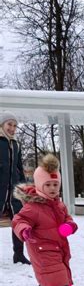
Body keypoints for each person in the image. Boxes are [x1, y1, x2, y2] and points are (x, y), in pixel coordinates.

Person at [12, 154, 77, 286]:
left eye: (55, 184)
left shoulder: (59, 205)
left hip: (59, 247)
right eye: (48, 184)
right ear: (40, 186)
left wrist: (69, 226)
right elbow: (19, 219)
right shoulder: (33, 206)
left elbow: (68, 218)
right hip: (41, 248)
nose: (53, 188)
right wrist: (24, 229)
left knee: (54, 273)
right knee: (59, 275)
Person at [0, 111, 30, 264]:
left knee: (18, 221)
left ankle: (18, 254)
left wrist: (23, 187)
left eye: (14, 125)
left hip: (14, 192)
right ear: (1, 125)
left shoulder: (15, 144)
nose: (12, 128)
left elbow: (19, 168)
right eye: (9, 124)